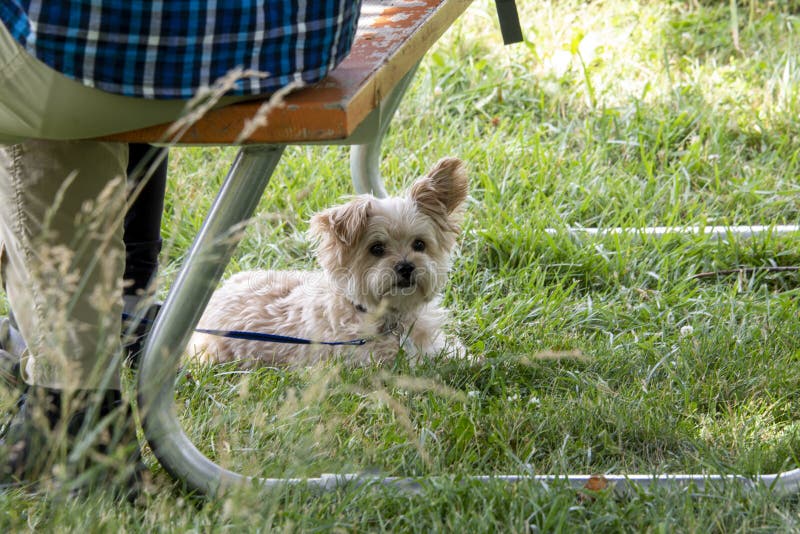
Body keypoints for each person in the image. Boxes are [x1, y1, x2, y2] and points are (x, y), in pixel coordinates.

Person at [0, 1, 362, 493]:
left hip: (113, 53)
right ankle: (125, 305)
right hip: (300, 38)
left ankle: (73, 416)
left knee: (63, 63)